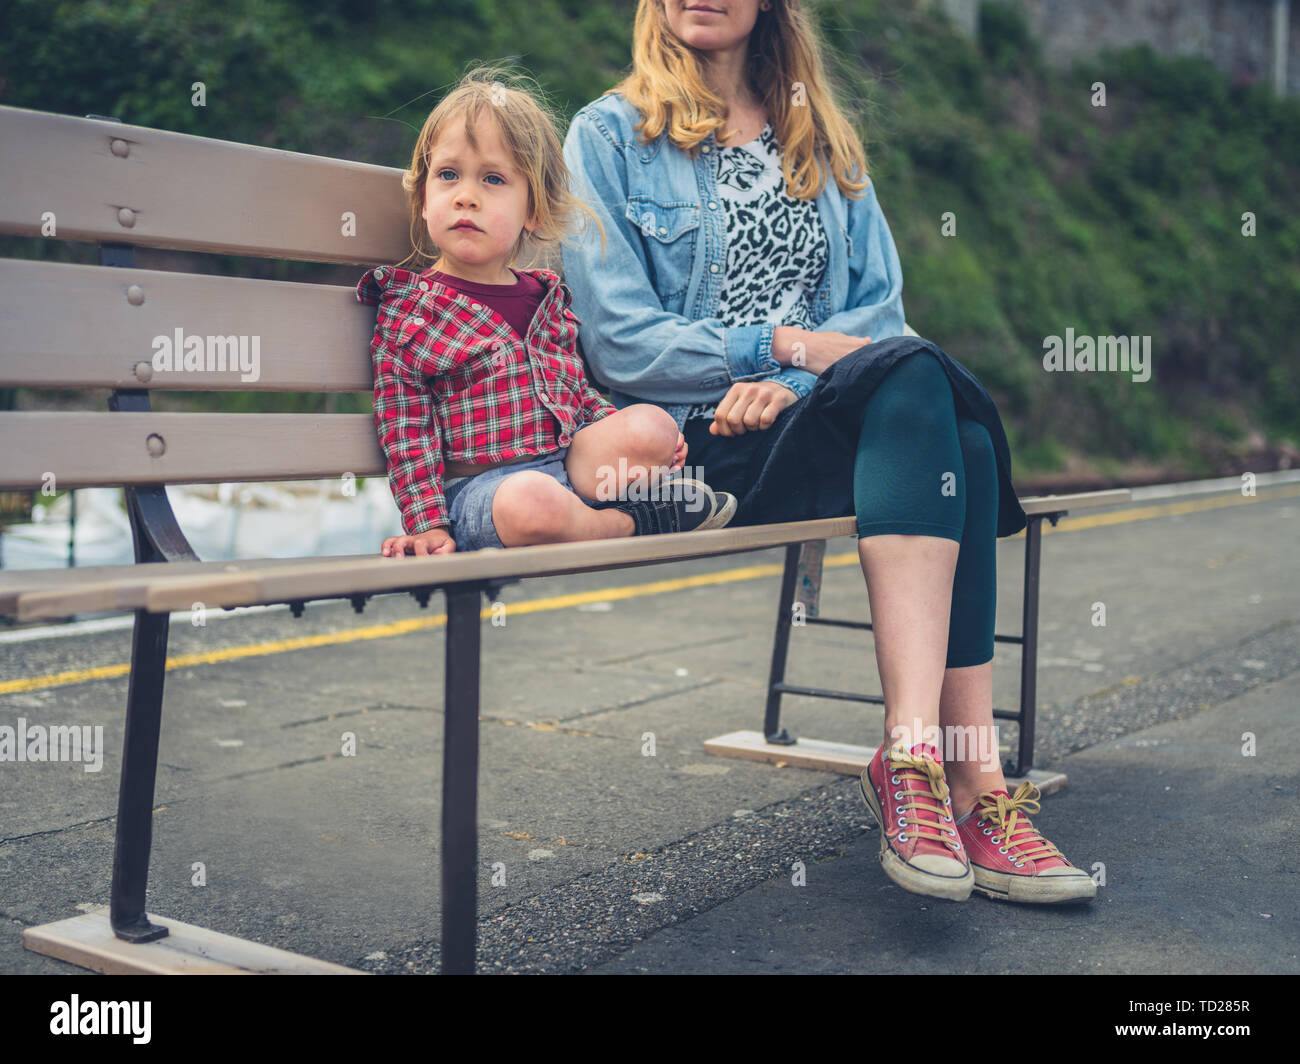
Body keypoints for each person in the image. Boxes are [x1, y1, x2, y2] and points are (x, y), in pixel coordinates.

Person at [561, 1, 1094, 903]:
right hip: (702, 445)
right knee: (946, 416)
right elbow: (618, 341)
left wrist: (801, 383)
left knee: (938, 409)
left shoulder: (823, 140)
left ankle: (941, 772)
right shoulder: (610, 137)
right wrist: (777, 350)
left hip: (817, 420)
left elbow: (878, 315)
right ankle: (953, 780)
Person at [359, 65, 738, 559]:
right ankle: (629, 523)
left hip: (568, 469)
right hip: (484, 496)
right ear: (425, 201)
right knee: (531, 501)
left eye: (493, 179)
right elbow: (405, 426)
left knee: (654, 426)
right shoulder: (410, 311)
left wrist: (638, 441)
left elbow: (577, 397)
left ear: (533, 211)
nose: (465, 195)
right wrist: (426, 523)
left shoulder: (546, 300)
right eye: (448, 175)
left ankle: (606, 508)